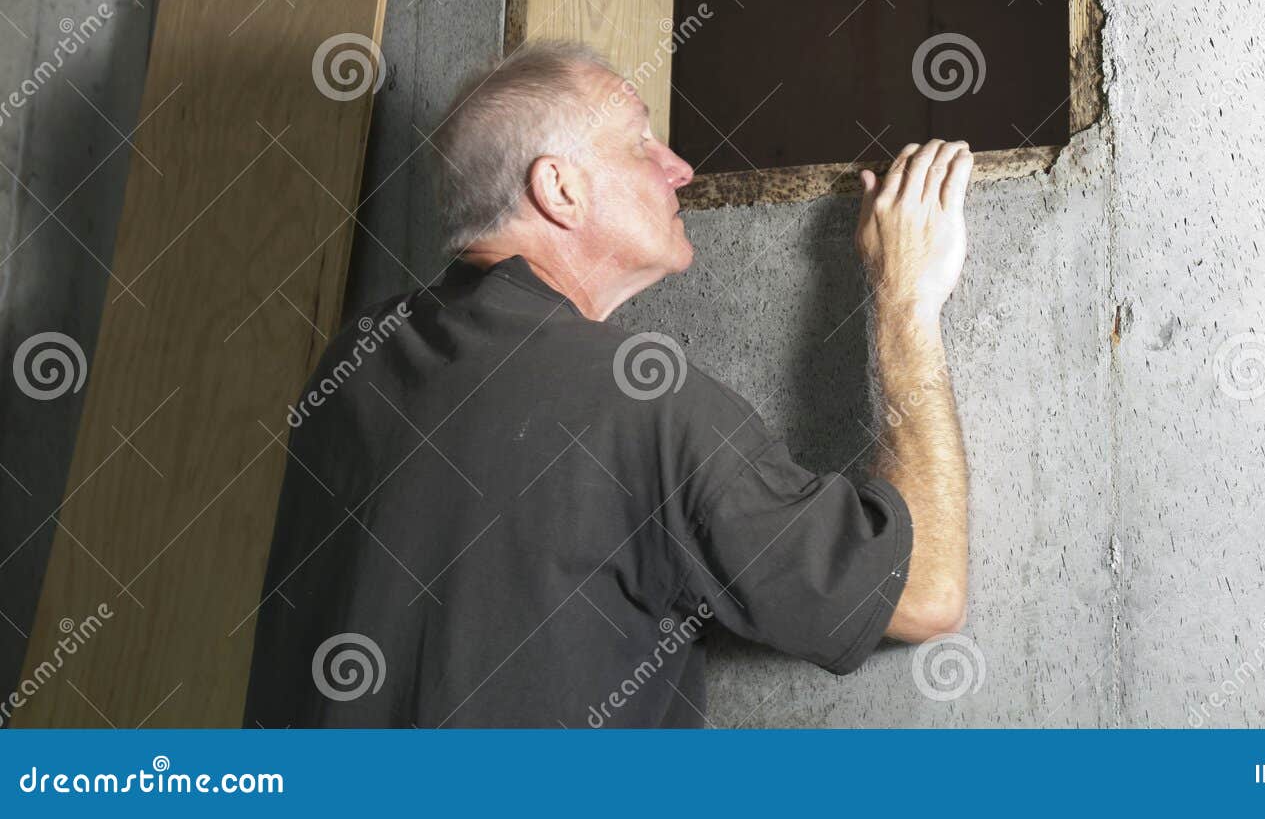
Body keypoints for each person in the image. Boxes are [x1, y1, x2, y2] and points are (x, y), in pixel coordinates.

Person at [243, 39, 972, 727]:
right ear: (558, 187)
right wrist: (905, 299)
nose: (680, 166)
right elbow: (923, 593)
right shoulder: (642, 407)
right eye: (642, 143)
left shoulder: (352, 365)